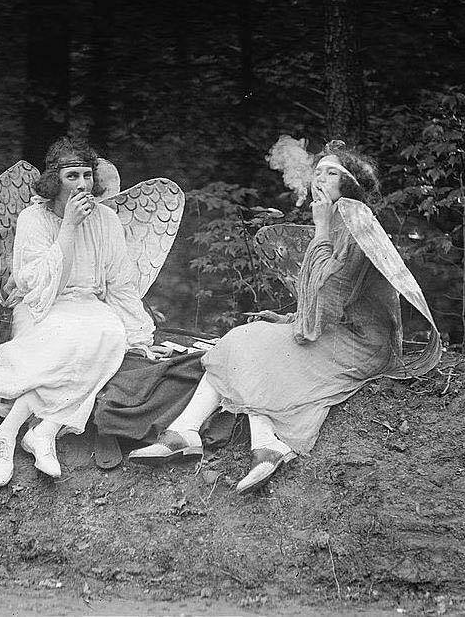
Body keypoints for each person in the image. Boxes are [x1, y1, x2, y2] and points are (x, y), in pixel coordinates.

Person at [129, 141, 441, 492]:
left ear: (350, 184)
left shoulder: (354, 220)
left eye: (331, 172)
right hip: (340, 331)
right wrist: (287, 319)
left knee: (254, 345)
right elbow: (322, 302)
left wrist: (320, 230)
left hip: (363, 344)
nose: (319, 178)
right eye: (318, 171)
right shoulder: (339, 218)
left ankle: (251, 442)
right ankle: (200, 433)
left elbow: (330, 294)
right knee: (250, 338)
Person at [0, 137, 156, 486]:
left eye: (87, 175)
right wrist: (69, 227)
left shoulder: (107, 220)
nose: (82, 184)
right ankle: (6, 435)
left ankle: (42, 431)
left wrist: (138, 330)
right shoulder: (34, 218)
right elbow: (32, 284)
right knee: (64, 341)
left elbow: (120, 282)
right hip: (40, 306)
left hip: (88, 307)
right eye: (72, 176)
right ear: (54, 181)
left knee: (109, 334)